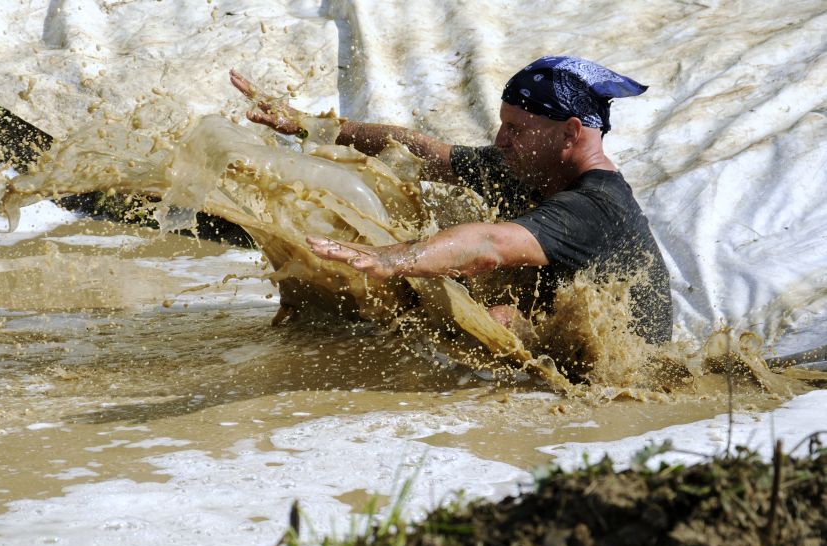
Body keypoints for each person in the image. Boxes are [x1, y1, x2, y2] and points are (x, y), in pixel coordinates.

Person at [230, 57, 673, 344]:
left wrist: (390, 257)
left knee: (493, 319)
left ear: (571, 133)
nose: (500, 140)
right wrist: (309, 125)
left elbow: (489, 245)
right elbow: (417, 150)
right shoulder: (527, 165)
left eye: (516, 128)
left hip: (618, 381)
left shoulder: (595, 205)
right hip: (559, 335)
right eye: (503, 125)